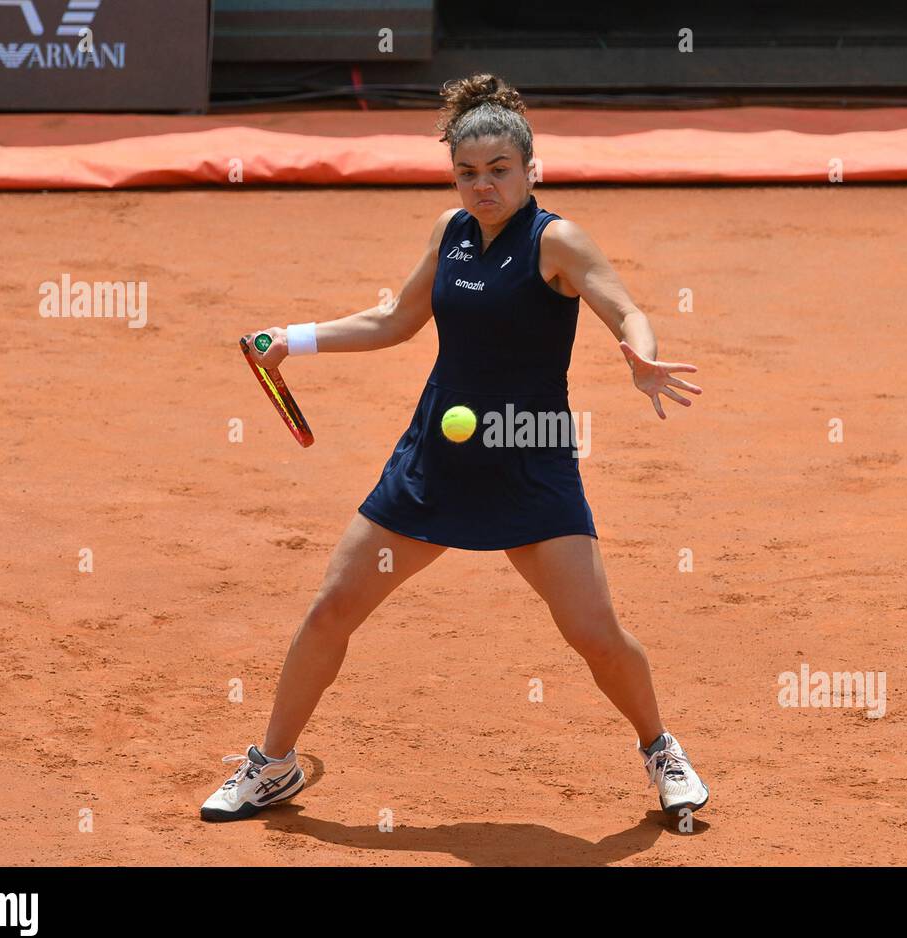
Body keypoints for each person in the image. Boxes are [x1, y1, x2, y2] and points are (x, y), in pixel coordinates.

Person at [201, 73, 709, 824]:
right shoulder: (451, 234)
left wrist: (639, 354)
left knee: (595, 636)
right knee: (332, 607)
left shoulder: (556, 240)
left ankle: (660, 747)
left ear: (531, 168)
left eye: (499, 170)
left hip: (531, 462)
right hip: (434, 464)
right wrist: (291, 339)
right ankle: (273, 765)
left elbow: (623, 307)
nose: (483, 186)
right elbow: (393, 322)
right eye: (468, 173)